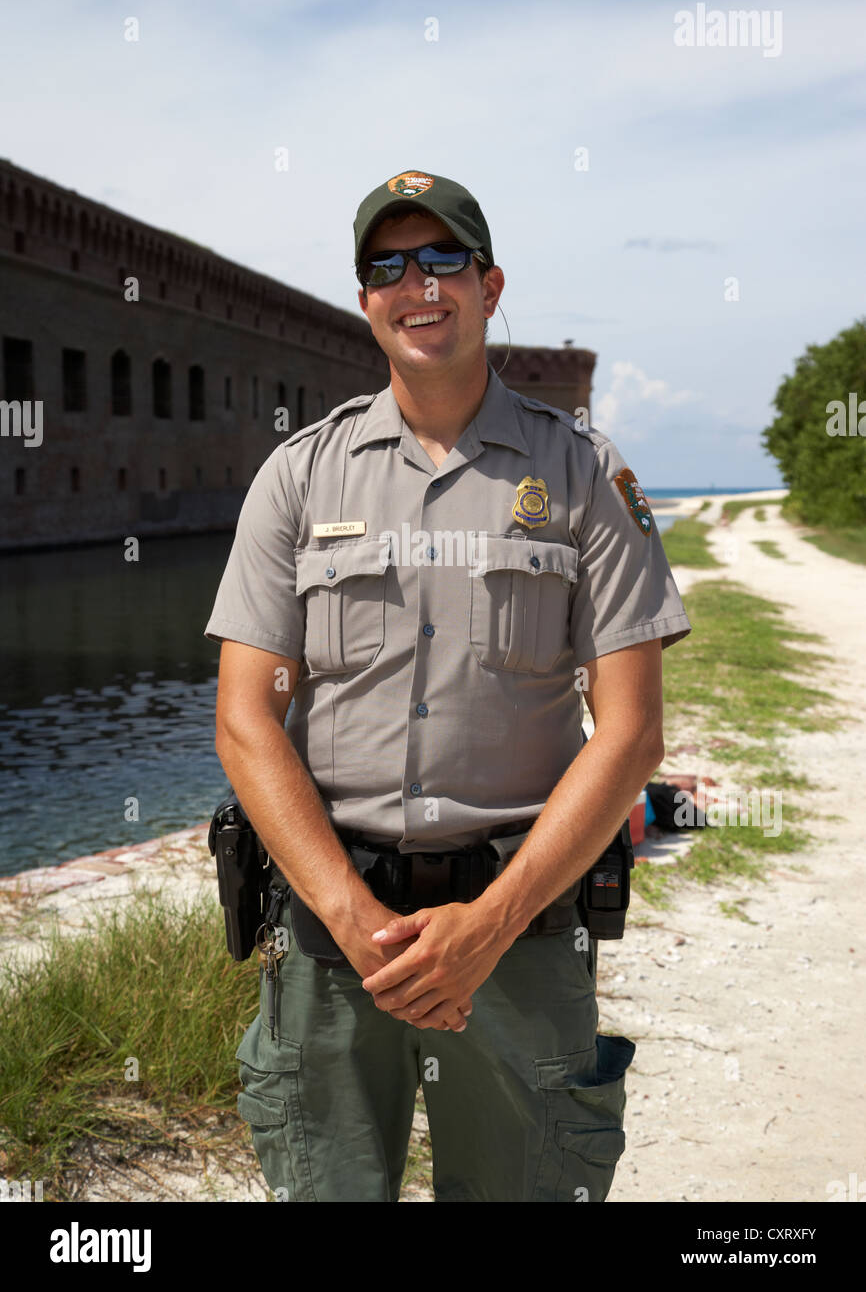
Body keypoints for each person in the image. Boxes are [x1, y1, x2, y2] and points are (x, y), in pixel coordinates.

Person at [204, 168, 692, 1202]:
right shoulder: (298, 474)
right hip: (335, 940)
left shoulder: (578, 476)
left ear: (489, 283)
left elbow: (630, 732)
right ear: (364, 297)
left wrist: (492, 922)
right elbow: (248, 718)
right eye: (387, 265)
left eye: (441, 260)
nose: (415, 283)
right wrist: (346, 915)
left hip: (516, 932)